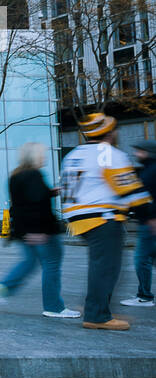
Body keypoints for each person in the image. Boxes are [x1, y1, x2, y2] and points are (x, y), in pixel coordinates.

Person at [61, 113, 156, 330]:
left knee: (103, 264)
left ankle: (99, 308)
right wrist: (149, 216)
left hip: (77, 216)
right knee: (106, 267)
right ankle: (97, 315)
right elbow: (131, 189)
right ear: (111, 133)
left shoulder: (75, 154)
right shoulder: (110, 154)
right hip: (102, 216)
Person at [0, 143, 77, 318]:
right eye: (42, 155)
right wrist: (38, 230)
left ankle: (1, 288)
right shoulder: (34, 175)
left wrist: (49, 193)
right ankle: (54, 307)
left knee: (28, 262)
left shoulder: (15, 176)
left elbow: (23, 202)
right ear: (34, 157)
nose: (45, 158)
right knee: (52, 266)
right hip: (41, 230)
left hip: (23, 230)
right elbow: (35, 205)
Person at [121, 140, 156, 307]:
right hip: (147, 221)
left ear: (149, 152)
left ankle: (145, 296)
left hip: (149, 222)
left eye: (139, 151)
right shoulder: (147, 169)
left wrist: (153, 218)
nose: (136, 154)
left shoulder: (152, 170)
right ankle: (145, 295)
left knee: (141, 259)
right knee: (149, 258)